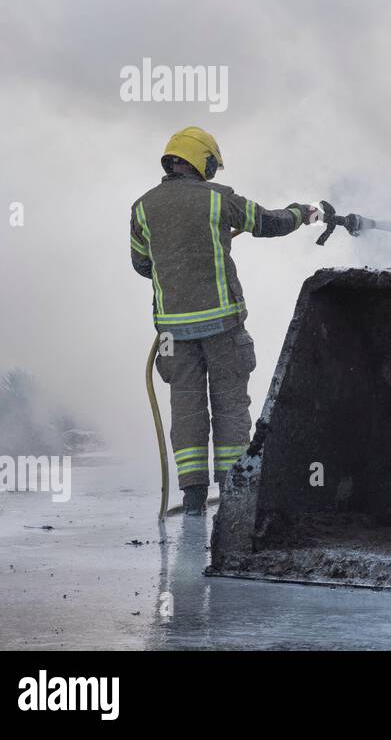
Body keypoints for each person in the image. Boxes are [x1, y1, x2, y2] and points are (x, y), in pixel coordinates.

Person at [130, 126, 321, 515]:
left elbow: (141, 264)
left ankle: (194, 499)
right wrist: (302, 212)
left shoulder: (142, 207)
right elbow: (270, 223)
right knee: (230, 406)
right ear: (204, 161)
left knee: (186, 408)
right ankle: (235, 496)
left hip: (172, 334)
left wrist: (177, 264)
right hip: (223, 327)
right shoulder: (219, 200)